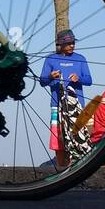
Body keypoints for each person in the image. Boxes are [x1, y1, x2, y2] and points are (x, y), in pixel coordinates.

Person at [39, 28, 93, 169]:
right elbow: (42, 81)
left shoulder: (80, 59)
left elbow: (89, 80)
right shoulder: (51, 59)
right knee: (59, 139)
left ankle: (78, 167)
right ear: (60, 45)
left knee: (79, 137)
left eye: (73, 42)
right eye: (68, 43)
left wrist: (78, 78)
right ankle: (61, 167)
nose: (72, 46)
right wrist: (51, 76)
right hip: (57, 105)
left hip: (77, 105)